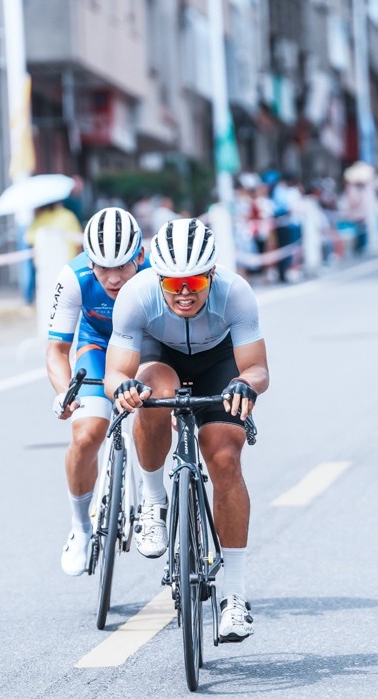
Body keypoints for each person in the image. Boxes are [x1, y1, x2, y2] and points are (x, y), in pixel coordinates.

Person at [105, 219, 270, 642]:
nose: (182, 291)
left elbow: (257, 368)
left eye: (194, 280)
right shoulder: (136, 295)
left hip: (219, 364)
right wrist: (124, 389)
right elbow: (115, 374)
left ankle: (233, 597)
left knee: (223, 456)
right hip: (160, 357)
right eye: (172, 282)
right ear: (156, 277)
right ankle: (154, 501)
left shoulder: (236, 293)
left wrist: (243, 385)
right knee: (153, 390)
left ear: (211, 274)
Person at [46, 207, 150, 576]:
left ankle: (155, 501)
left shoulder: (157, 274)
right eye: (102, 267)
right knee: (87, 433)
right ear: (89, 260)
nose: (112, 278)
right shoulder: (73, 277)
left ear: (140, 255)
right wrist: (64, 392)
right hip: (97, 346)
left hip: (146, 345)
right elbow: (57, 350)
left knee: (156, 417)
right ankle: (80, 527)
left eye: (122, 266)